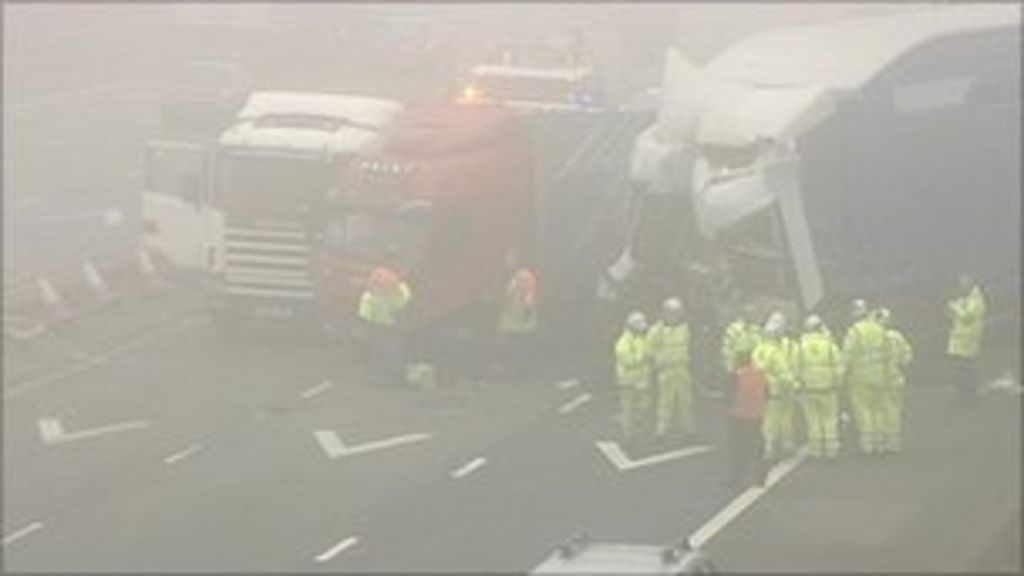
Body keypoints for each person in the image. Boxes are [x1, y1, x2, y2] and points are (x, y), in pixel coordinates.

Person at [792, 315, 844, 458]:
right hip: (828, 388)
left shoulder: (800, 347)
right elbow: (839, 367)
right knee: (829, 418)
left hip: (808, 389)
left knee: (812, 419)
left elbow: (795, 368)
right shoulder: (829, 346)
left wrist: (799, 385)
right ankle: (831, 449)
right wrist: (838, 384)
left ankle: (816, 449)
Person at [842, 299, 889, 455]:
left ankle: (868, 445)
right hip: (880, 375)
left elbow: (847, 356)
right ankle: (880, 443)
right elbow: (888, 352)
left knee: (863, 411)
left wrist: (843, 375)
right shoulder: (879, 329)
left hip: (860, 377)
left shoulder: (854, 331)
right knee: (879, 410)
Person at [752, 311, 799, 463]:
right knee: (782, 419)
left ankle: (770, 448)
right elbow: (786, 371)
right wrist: (796, 384)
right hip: (782, 389)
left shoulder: (759, 349)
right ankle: (782, 446)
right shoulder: (786, 348)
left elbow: (756, 368)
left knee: (770, 421)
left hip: (765, 390)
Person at [648, 298, 695, 441]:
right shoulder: (656, 330)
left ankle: (688, 429)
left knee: (685, 400)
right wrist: (658, 362)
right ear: (665, 312)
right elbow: (650, 349)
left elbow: (688, 346)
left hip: (682, 369)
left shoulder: (685, 328)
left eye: (678, 312)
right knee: (665, 401)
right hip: (665, 370)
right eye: (672, 312)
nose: (676, 315)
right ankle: (661, 430)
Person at [357, 266, 412, 386]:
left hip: (383, 326)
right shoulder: (401, 289)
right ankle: (396, 378)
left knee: (386, 352)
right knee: (394, 351)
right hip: (394, 325)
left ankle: (389, 378)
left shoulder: (371, 296)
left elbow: (365, 313)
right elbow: (403, 305)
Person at [727, 348, 769, 488]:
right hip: (757, 414)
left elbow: (729, 395)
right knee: (757, 446)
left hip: (739, 414)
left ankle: (737, 478)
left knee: (739, 448)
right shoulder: (760, 374)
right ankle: (760, 476)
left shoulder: (736, 375)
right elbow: (767, 392)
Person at [495, 254, 539, 381]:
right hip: (512, 321)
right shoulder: (513, 278)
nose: (508, 263)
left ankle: (519, 374)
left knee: (519, 349)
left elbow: (529, 296)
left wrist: (526, 312)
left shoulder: (525, 276)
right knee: (514, 349)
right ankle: (515, 372)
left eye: (510, 260)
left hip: (520, 322)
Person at [945, 274, 987, 405]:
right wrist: (952, 311)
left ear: (971, 284)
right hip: (960, 340)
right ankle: (963, 396)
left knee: (967, 370)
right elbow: (955, 316)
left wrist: (954, 308)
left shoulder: (977, 300)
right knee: (960, 370)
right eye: (960, 283)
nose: (961, 286)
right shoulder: (965, 299)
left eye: (964, 283)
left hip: (968, 340)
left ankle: (970, 397)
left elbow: (967, 316)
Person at [876, 308, 913, 453]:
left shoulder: (872, 338)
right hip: (896, 378)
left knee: (880, 410)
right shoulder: (897, 336)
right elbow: (907, 358)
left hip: (878, 379)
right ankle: (894, 441)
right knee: (894, 411)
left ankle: (881, 441)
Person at [615, 311, 653, 442]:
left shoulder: (642, 339)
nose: (643, 327)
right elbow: (627, 361)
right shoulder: (623, 342)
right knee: (628, 410)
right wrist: (643, 358)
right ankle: (628, 436)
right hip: (628, 382)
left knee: (644, 407)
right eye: (640, 324)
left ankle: (634, 430)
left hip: (642, 381)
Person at [721, 302, 763, 375]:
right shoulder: (734, 329)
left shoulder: (757, 330)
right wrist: (730, 366)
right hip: (738, 366)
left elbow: (761, 347)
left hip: (754, 368)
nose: (752, 314)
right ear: (744, 313)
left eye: (753, 312)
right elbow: (727, 349)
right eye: (749, 312)